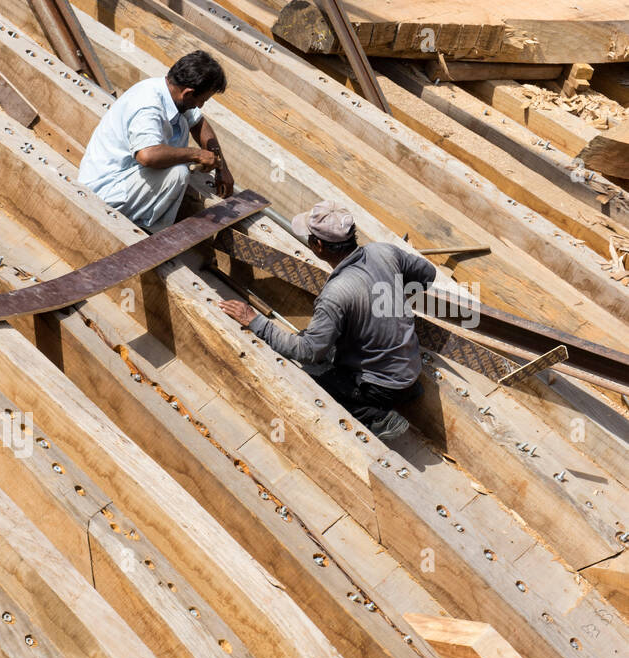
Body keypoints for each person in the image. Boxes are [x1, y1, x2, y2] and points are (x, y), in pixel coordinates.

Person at [217, 200, 437, 441]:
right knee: (333, 344)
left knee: (310, 371)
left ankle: (375, 416)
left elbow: (309, 351)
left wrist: (255, 321)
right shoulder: (384, 251)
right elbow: (427, 274)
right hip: (409, 368)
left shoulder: (336, 294)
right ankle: (405, 392)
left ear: (318, 245)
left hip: (381, 385)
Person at [77, 51, 234, 232]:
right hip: (106, 191)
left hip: (131, 179)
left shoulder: (173, 94)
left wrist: (222, 168)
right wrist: (197, 154)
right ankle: (145, 232)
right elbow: (147, 156)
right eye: (202, 100)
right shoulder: (148, 105)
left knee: (181, 168)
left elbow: (199, 124)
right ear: (188, 93)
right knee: (178, 173)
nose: (200, 106)